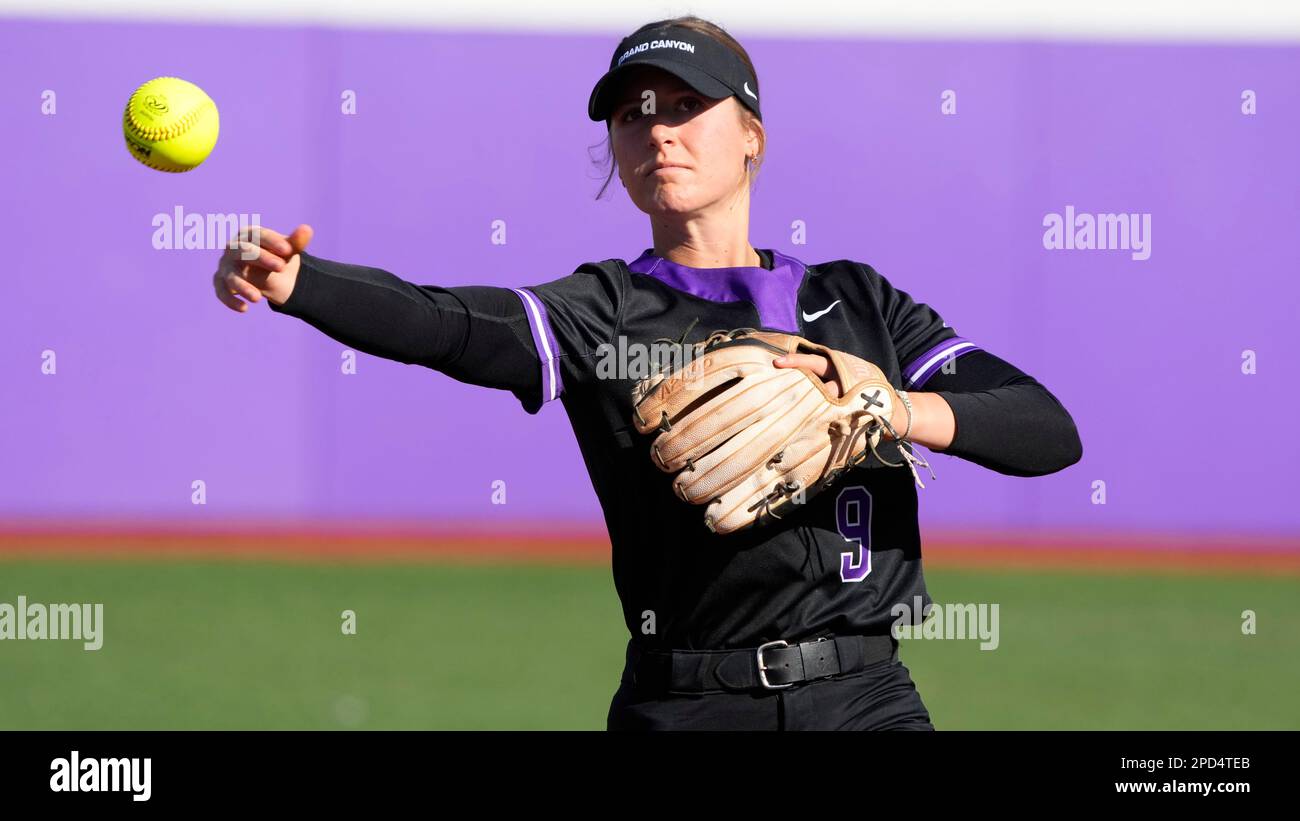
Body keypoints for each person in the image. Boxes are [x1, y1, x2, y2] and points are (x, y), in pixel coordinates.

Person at [212, 16, 1082, 730]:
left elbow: (1046, 428)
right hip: (685, 704)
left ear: (752, 136)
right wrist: (301, 284)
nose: (656, 127)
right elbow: (451, 325)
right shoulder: (609, 309)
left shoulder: (857, 302)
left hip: (867, 698)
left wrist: (891, 404)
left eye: (686, 103)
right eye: (632, 113)